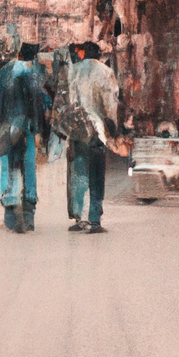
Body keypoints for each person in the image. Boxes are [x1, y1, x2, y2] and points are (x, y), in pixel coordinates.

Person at [0, 43, 48, 233]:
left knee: (7, 168)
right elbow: (43, 102)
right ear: (35, 56)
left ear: (18, 54)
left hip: (5, 127)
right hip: (27, 127)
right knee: (29, 167)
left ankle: (10, 213)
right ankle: (29, 215)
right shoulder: (36, 73)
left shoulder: (4, 72)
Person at [53, 41, 120, 234]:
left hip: (76, 128)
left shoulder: (74, 71)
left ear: (84, 54)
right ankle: (94, 219)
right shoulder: (106, 72)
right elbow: (110, 103)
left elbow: (65, 99)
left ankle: (79, 217)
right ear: (99, 55)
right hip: (96, 130)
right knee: (96, 174)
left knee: (78, 172)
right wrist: (112, 127)